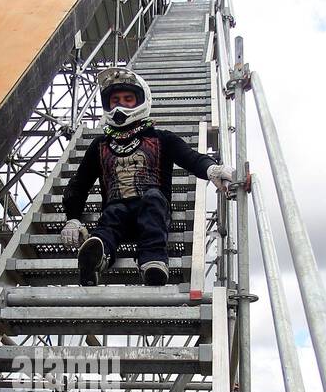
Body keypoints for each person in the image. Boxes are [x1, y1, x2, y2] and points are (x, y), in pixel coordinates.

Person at [60, 67, 234, 286]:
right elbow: (79, 184)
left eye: (128, 99)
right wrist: (73, 218)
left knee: (153, 197)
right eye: (115, 100)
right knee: (112, 213)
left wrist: (212, 169)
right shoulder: (99, 145)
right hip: (117, 213)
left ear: (141, 100)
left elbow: (191, 157)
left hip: (152, 212)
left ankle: (153, 261)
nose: (120, 105)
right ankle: (97, 257)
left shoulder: (161, 138)